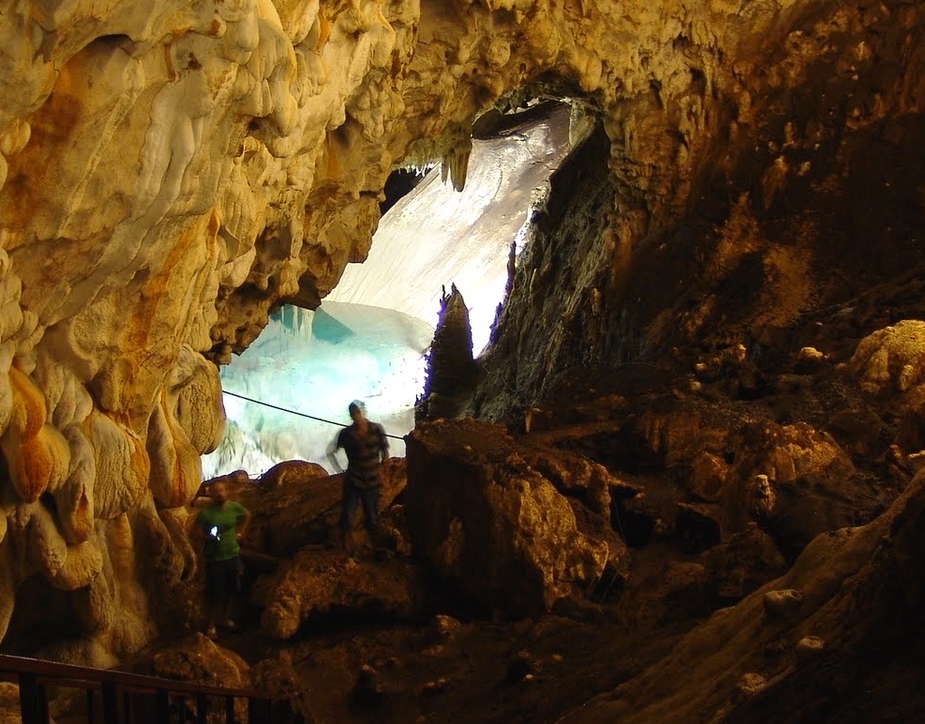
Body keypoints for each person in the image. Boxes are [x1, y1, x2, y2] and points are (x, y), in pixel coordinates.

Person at [189, 481, 251, 639]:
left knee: (232, 589)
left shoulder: (234, 507)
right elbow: (195, 532)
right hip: (214, 558)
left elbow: (246, 515)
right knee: (215, 593)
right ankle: (210, 626)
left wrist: (240, 533)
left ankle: (224, 618)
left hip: (232, 555)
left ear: (226, 491)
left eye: (222, 491)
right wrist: (207, 537)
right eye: (216, 492)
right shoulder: (206, 514)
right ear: (211, 495)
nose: (220, 494)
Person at [327, 401, 390, 554]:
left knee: (373, 518)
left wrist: (383, 468)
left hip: (372, 482)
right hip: (353, 481)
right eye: (353, 413)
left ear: (362, 412)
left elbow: (385, 451)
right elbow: (330, 451)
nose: (356, 415)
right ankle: (349, 551)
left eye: (357, 412)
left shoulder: (376, 429)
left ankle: (377, 549)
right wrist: (339, 470)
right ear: (351, 415)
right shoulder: (346, 434)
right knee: (347, 518)